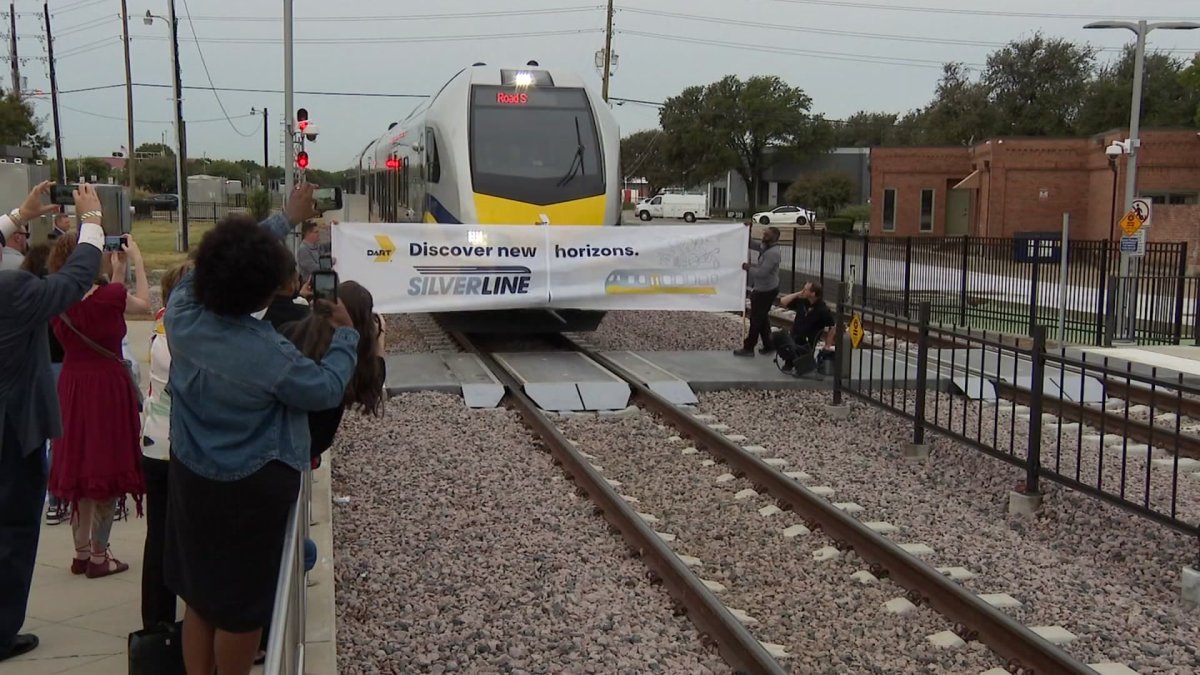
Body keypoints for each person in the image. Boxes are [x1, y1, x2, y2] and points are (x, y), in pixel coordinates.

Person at [163, 184, 359, 675]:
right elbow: (325, 389)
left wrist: (283, 220)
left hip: (190, 476)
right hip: (250, 492)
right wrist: (347, 334)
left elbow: (206, 271)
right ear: (264, 288)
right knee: (242, 608)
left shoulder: (182, 316)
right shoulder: (269, 355)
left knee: (201, 598)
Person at [0, 182, 104, 663]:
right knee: (15, 529)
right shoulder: (13, 290)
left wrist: (18, 216)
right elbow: (72, 281)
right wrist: (93, 225)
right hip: (12, 434)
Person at [48, 231, 151, 578]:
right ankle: (99, 554)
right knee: (105, 467)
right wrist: (133, 259)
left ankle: (80, 553)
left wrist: (116, 275)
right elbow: (143, 302)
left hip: (72, 385)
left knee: (79, 466)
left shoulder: (56, 300)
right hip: (105, 386)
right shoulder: (109, 296)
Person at [139, 262, 190, 630]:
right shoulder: (184, 335)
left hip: (154, 442)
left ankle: (156, 620)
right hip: (179, 448)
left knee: (158, 535)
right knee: (179, 535)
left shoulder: (161, 322)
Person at [19, 245, 71, 526]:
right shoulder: (57, 296)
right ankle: (59, 494)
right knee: (61, 437)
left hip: (37, 370)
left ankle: (53, 499)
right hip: (64, 366)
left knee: (44, 437)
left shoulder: (25, 297)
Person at [734, 225, 781, 357]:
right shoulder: (767, 247)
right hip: (763, 288)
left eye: (766, 235)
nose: (763, 236)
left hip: (766, 290)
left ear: (774, 238)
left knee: (756, 319)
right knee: (762, 318)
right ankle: (769, 345)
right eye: (764, 234)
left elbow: (762, 273)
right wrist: (746, 230)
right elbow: (752, 244)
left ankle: (749, 347)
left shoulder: (773, 253)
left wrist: (748, 267)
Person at [774, 282, 836, 375]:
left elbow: (833, 326)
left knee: (789, 340)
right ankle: (790, 361)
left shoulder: (822, 309)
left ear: (813, 293)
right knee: (778, 337)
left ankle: (795, 362)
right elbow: (783, 301)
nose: (803, 291)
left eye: (805, 289)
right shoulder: (802, 302)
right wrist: (798, 293)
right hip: (795, 335)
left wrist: (828, 344)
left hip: (807, 341)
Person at [263, 246, 312, 331]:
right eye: (296, 280)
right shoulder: (304, 314)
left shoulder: (258, 314)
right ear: (290, 285)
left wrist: (301, 296)